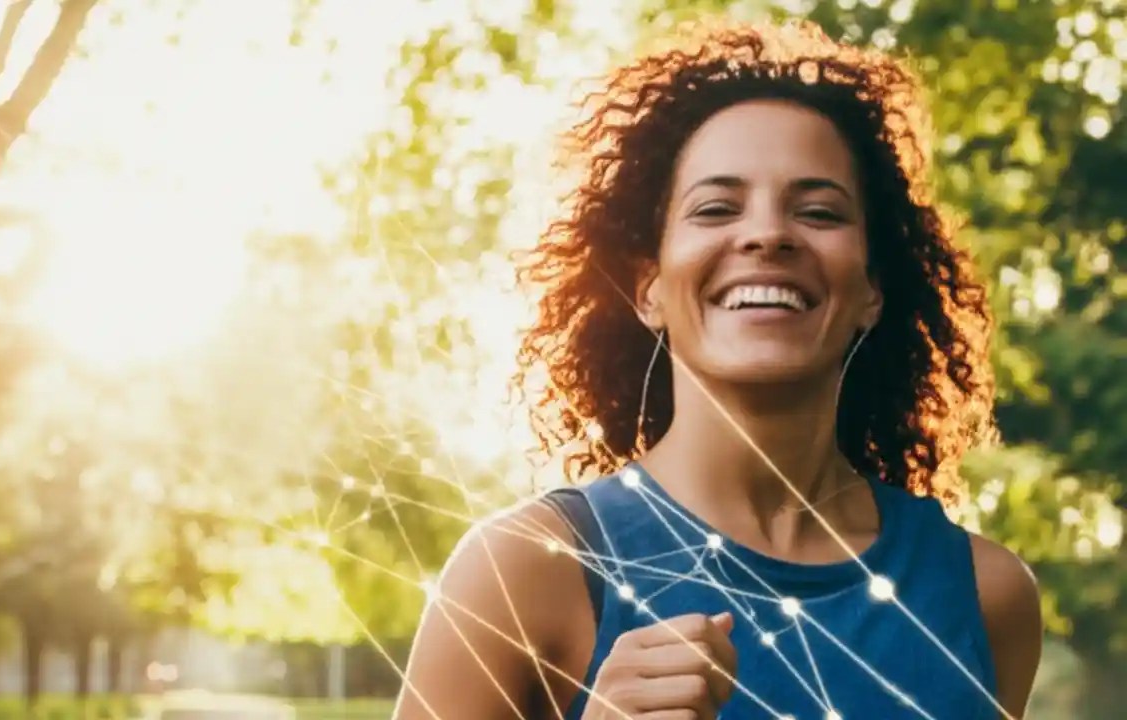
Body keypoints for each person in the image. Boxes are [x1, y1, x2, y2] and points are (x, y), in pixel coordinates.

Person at [393, 18, 1042, 720]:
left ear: (871, 292)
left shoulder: (987, 595)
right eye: (715, 207)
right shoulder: (521, 573)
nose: (766, 234)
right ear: (648, 289)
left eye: (819, 211)